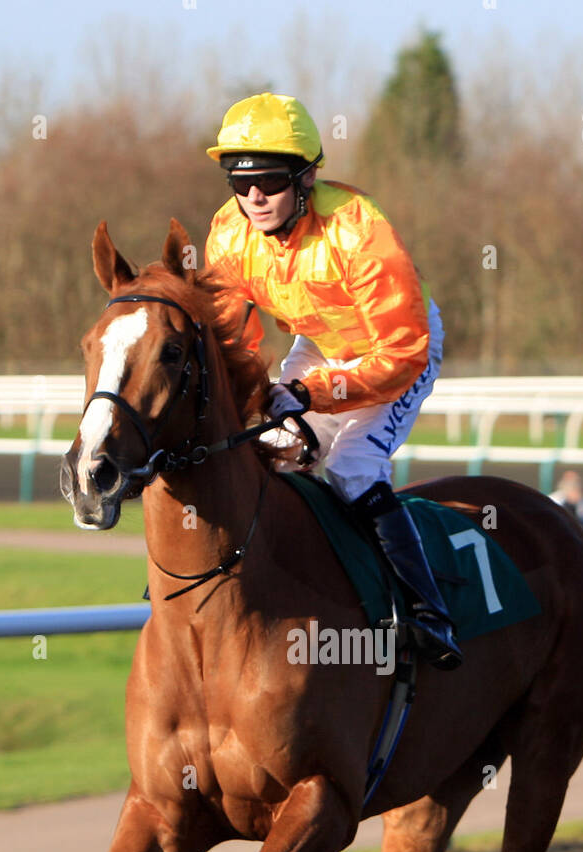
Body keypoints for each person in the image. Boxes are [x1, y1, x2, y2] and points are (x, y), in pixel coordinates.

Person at [203, 92, 460, 669]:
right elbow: (232, 337)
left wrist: (310, 394)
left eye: (268, 181)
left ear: (306, 177)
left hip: (399, 349)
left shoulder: (357, 228)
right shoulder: (228, 233)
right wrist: (244, 399)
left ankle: (427, 614)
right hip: (322, 345)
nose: (253, 197)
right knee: (271, 447)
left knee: (351, 468)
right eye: (238, 183)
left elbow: (400, 350)